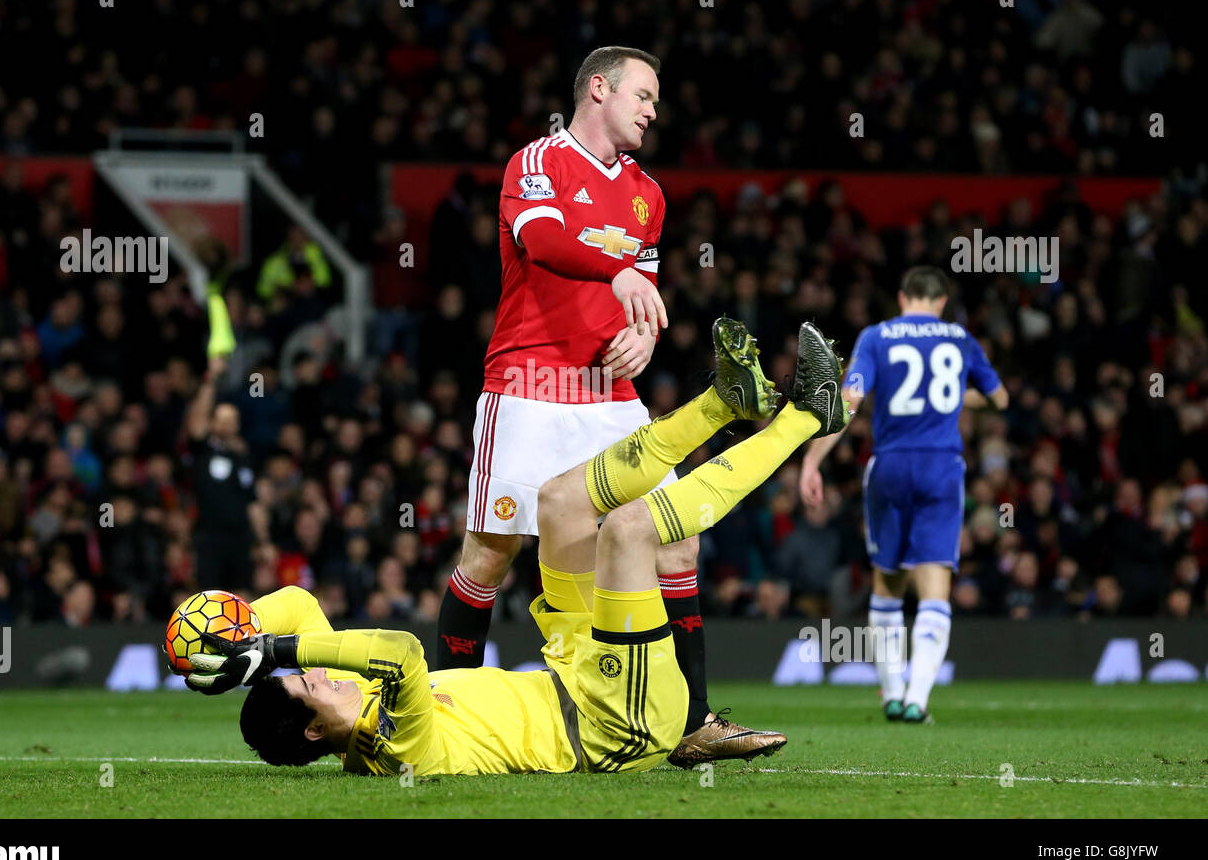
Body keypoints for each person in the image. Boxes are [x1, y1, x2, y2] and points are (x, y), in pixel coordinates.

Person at [183, 320, 849, 775]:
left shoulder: (351, 692)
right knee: (629, 530)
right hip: (618, 721)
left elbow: (298, 603)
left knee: (557, 501)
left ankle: (722, 403)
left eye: (308, 669)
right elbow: (404, 652)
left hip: (572, 664)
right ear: (313, 729)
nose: (321, 673)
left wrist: (236, 634)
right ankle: (806, 416)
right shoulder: (391, 747)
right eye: (308, 684)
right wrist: (272, 654)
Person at [436, 44, 767, 765]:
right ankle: (446, 716)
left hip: (610, 396)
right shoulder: (536, 162)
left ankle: (693, 720)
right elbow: (545, 241)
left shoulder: (649, 193)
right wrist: (619, 274)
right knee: (490, 555)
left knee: (678, 539)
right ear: (598, 88)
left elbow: (639, 300)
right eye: (643, 94)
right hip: (528, 387)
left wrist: (643, 339)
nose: (653, 109)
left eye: (655, 99)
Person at [799, 266, 1008, 723]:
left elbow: (848, 403)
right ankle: (918, 699)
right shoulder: (958, 337)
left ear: (901, 297)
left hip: (890, 466)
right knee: (935, 582)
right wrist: (959, 398)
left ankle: (892, 694)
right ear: (940, 301)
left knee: (887, 579)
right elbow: (1001, 399)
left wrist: (812, 461)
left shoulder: (877, 337)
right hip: (941, 467)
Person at [186, 355, 255, 598]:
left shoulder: (243, 455)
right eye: (222, 419)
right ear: (212, 423)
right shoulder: (203, 448)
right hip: (209, 537)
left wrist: (263, 540)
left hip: (240, 537)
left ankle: (244, 637)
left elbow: (252, 501)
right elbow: (196, 422)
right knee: (209, 596)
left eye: (232, 420)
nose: (227, 424)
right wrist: (210, 379)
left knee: (242, 595)